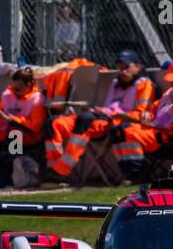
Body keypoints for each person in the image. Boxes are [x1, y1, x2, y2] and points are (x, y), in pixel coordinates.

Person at [45, 50, 155, 179]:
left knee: (85, 120)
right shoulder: (116, 83)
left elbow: (140, 114)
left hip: (116, 122)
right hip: (101, 118)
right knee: (54, 122)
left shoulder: (145, 85)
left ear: (138, 66)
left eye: (126, 68)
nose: (123, 72)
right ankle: (52, 168)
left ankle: (61, 171)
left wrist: (109, 113)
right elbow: (108, 106)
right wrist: (99, 111)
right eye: (120, 68)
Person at [111, 59, 173, 182]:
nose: (172, 83)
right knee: (117, 131)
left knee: (126, 132)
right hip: (159, 132)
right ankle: (131, 174)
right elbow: (154, 108)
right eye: (171, 80)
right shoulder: (171, 93)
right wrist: (147, 114)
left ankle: (137, 176)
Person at [0, 66, 46, 184]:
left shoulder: (37, 100)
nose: (16, 91)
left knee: (14, 134)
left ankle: (8, 175)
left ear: (30, 84)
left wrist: (12, 119)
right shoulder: (8, 95)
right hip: (7, 129)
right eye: (14, 87)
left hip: (28, 135)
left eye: (19, 89)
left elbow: (36, 126)